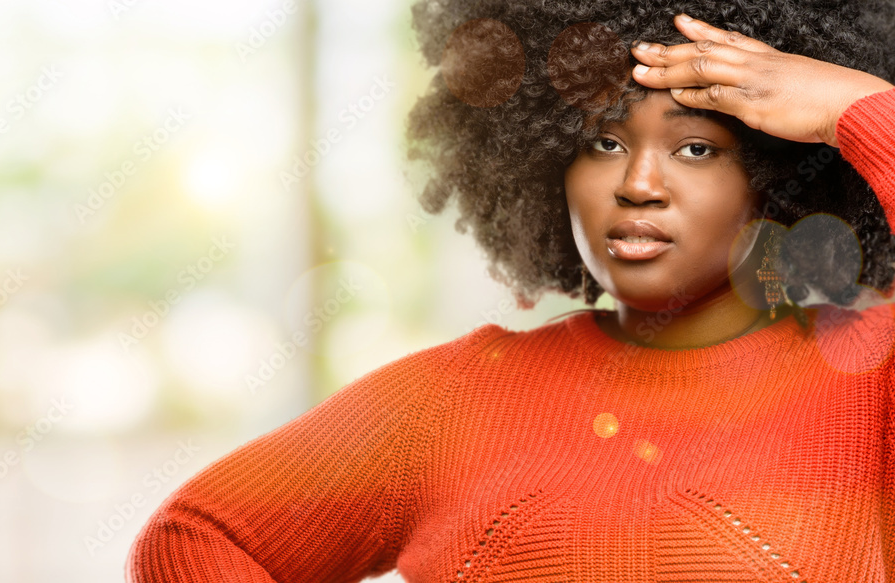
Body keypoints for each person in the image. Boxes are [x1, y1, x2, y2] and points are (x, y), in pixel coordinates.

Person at [126, 0, 895, 581]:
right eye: (603, 142)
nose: (638, 183)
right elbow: (192, 536)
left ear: (775, 180)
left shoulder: (872, 377)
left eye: (696, 147)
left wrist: (852, 109)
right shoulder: (451, 402)